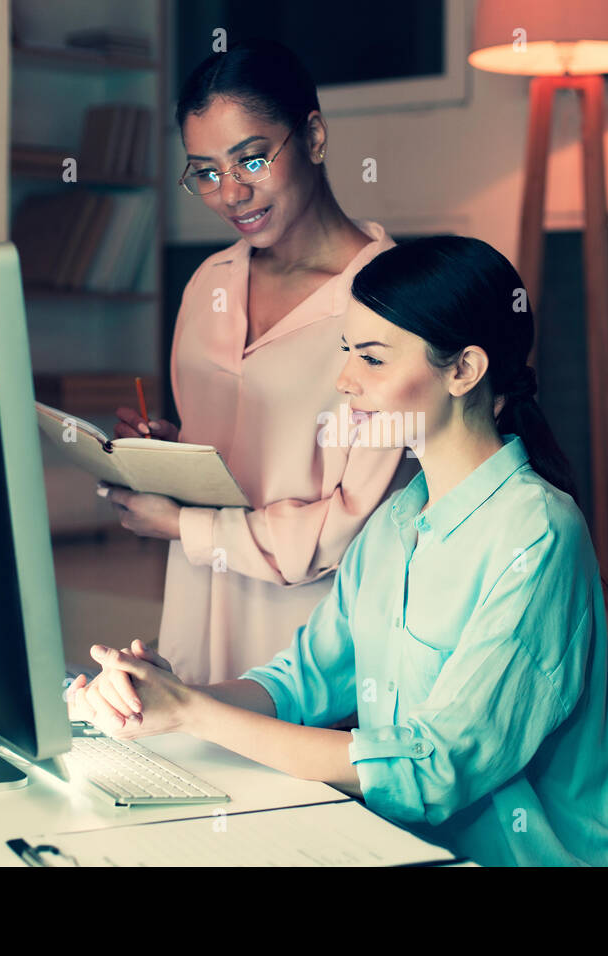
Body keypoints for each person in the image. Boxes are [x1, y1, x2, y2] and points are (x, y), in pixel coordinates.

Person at [70, 235, 608, 867]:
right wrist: (166, 691)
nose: (345, 382)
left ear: (463, 370)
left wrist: (193, 715)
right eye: (347, 352)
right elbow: (301, 684)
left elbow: (433, 771)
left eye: (372, 359)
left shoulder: (539, 533)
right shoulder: (397, 521)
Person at [104, 38, 415, 688]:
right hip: (198, 624)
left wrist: (183, 525)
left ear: (315, 137)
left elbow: (348, 529)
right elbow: (230, 451)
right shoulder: (208, 284)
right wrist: (171, 455)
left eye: (251, 159)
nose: (232, 193)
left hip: (312, 656)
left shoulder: (392, 302)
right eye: (207, 172)